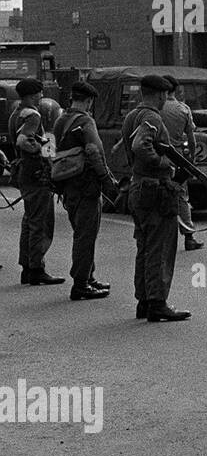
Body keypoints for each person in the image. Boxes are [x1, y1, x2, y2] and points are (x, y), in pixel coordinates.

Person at [121, 74, 189, 322]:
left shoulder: (131, 116)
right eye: (164, 95)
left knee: (145, 247)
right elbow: (141, 146)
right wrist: (167, 166)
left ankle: (144, 300)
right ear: (160, 95)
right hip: (154, 189)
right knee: (160, 248)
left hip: (138, 185)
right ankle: (157, 302)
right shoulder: (151, 117)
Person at [52, 81, 117, 301]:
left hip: (67, 185)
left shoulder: (60, 120)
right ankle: (80, 284)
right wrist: (107, 179)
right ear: (89, 101)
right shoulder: (86, 121)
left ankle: (88, 276)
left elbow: (49, 149)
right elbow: (94, 150)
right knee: (85, 236)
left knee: (81, 232)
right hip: (86, 185)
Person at [8, 78, 63, 285]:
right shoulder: (33, 115)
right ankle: (37, 268)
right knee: (41, 222)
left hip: (24, 172)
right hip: (36, 173)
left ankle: (27, 267)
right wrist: (43, 153)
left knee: (29, 221)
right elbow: (24, 140)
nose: (42, 97)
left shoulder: (16, 113)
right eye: (40, 93)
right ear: (32, 95)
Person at [161, 75, 203, 252]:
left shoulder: (155, 109)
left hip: (157, 156)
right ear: (176, 90)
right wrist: (191, 160)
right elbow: (192, 140)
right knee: (181, 197)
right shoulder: (183, 109)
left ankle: (161, 237)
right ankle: (189, 236)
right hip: (178, 158)